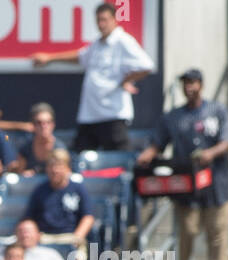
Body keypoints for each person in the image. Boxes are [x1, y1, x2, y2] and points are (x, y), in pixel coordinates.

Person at [136, 69, 228, 260]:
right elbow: (157, 142)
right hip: (187, 185)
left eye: (192, 83)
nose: (189, 88)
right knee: (188, 233)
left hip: (216, 183)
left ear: (201, 85)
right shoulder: (173, 116)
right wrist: (148, 153)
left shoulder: (217, 111)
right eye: (185, 84)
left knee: (218, 234)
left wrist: (210, 153)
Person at [31, 2, 154, 152]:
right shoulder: (97, 44)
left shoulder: (123, 41)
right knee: (80, 158)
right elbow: (80, 57)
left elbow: (147, 65)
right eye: (98, 20)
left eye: (105, 20)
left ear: (114, 20)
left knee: (119, 160)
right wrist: (49, 58)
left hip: (112, 114)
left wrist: (126, 80)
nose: (101, 24)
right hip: (90, 115)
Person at [23, 149, 94, 243]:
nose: (55, 170)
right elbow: (29, 218)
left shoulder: (78, 189)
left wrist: (77, 237)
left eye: (59, 166)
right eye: (51, 166)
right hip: (45, 238)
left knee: (76, 256)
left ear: (68, 168)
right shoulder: (39, 190)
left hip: (70, 236)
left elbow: (88, 217)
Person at [9, 103, 66, 177]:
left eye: (48, 122)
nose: (44, 126)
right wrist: (25, 176)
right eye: (39, 123)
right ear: (33, 125)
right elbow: (20, 175)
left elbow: (65, 175)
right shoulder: (25, 149)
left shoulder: (60, 148)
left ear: (53, 124)